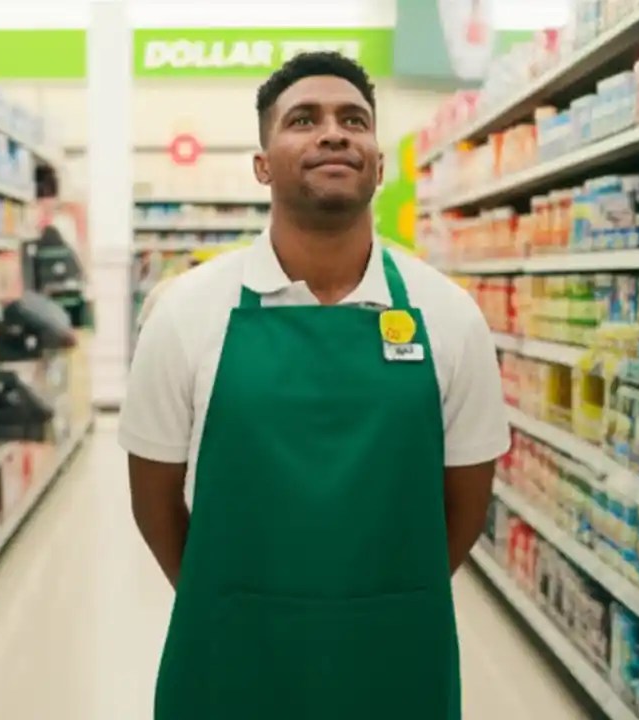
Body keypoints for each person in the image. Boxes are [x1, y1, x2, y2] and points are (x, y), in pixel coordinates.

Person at [120, 51, 509, 719]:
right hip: (230, 660)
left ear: (379, 164)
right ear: (262, 164)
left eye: (354, 120)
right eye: (303, 119)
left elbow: (466, 506)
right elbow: (154, 502)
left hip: (396, 659)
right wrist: (229, 602)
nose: (333, 133)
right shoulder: (184, 312)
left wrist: (381, 605)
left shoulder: (449, 315)